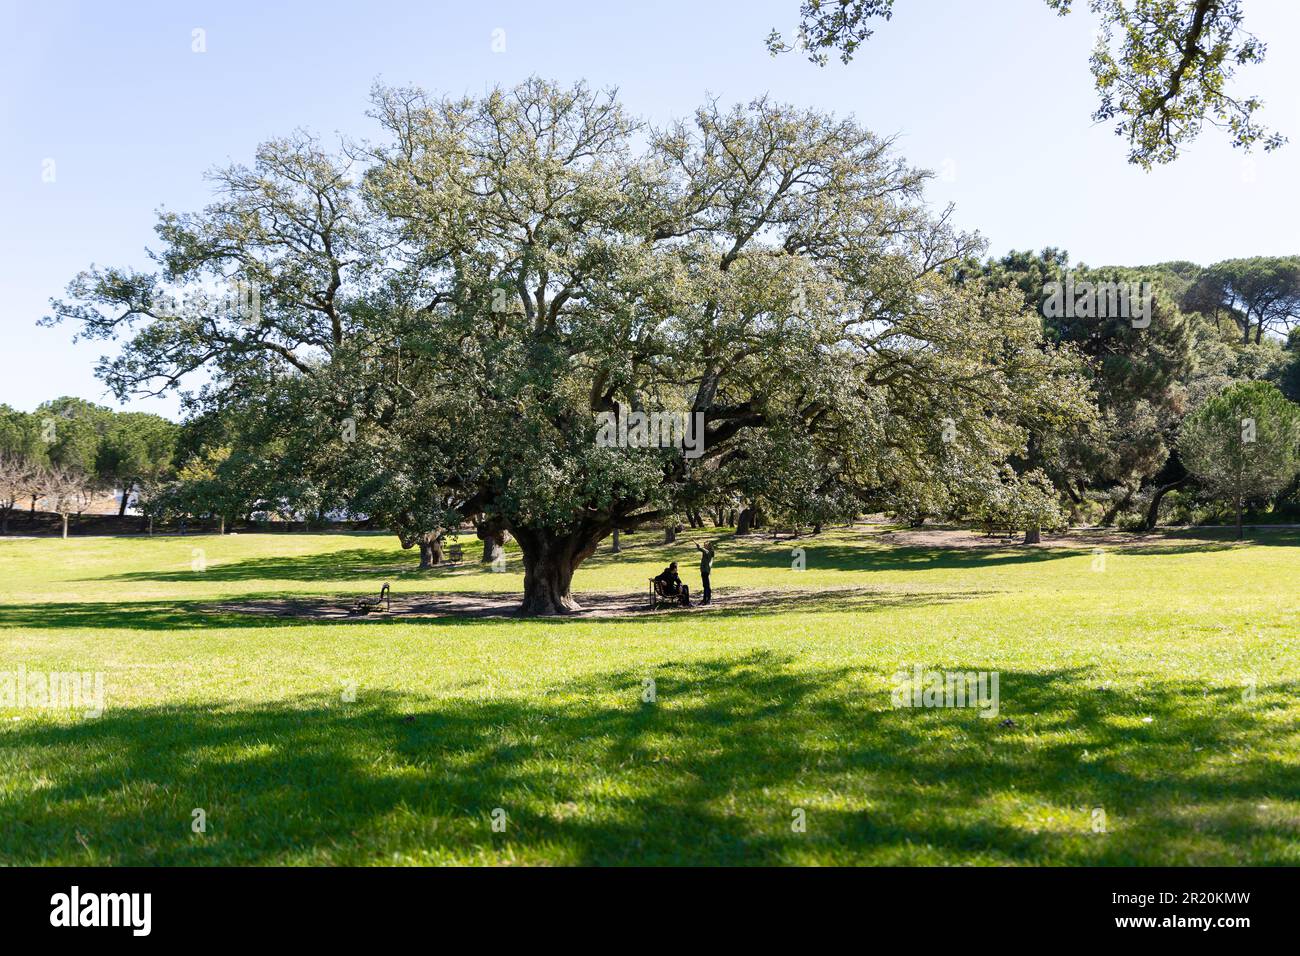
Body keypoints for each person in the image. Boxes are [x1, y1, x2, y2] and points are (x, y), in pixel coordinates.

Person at [694, 540, 716, 605]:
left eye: (705, 545)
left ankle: (707, 600)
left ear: (708, 546)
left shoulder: (707, 552)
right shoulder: (708, 552)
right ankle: (705, 599)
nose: (704, 546)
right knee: (705, 585)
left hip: (705, 570)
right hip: (705, 570)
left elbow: (701, 549)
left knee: (706, 586)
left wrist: (697, 545)